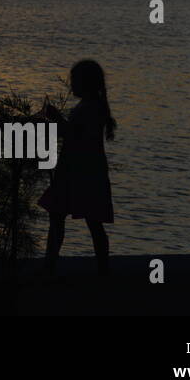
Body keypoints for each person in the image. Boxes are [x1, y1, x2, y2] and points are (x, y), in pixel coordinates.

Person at [39, 59, 116, 276]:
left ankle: (49, 267)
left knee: (60, 217)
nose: (71, 85)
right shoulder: (94, 107)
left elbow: (73, 134)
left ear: (86, 84)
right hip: (89, 170)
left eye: (75, 81)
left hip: (78, 171)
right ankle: (102, 269)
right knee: (92, 222)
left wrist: (55, 119)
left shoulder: (88, 108)